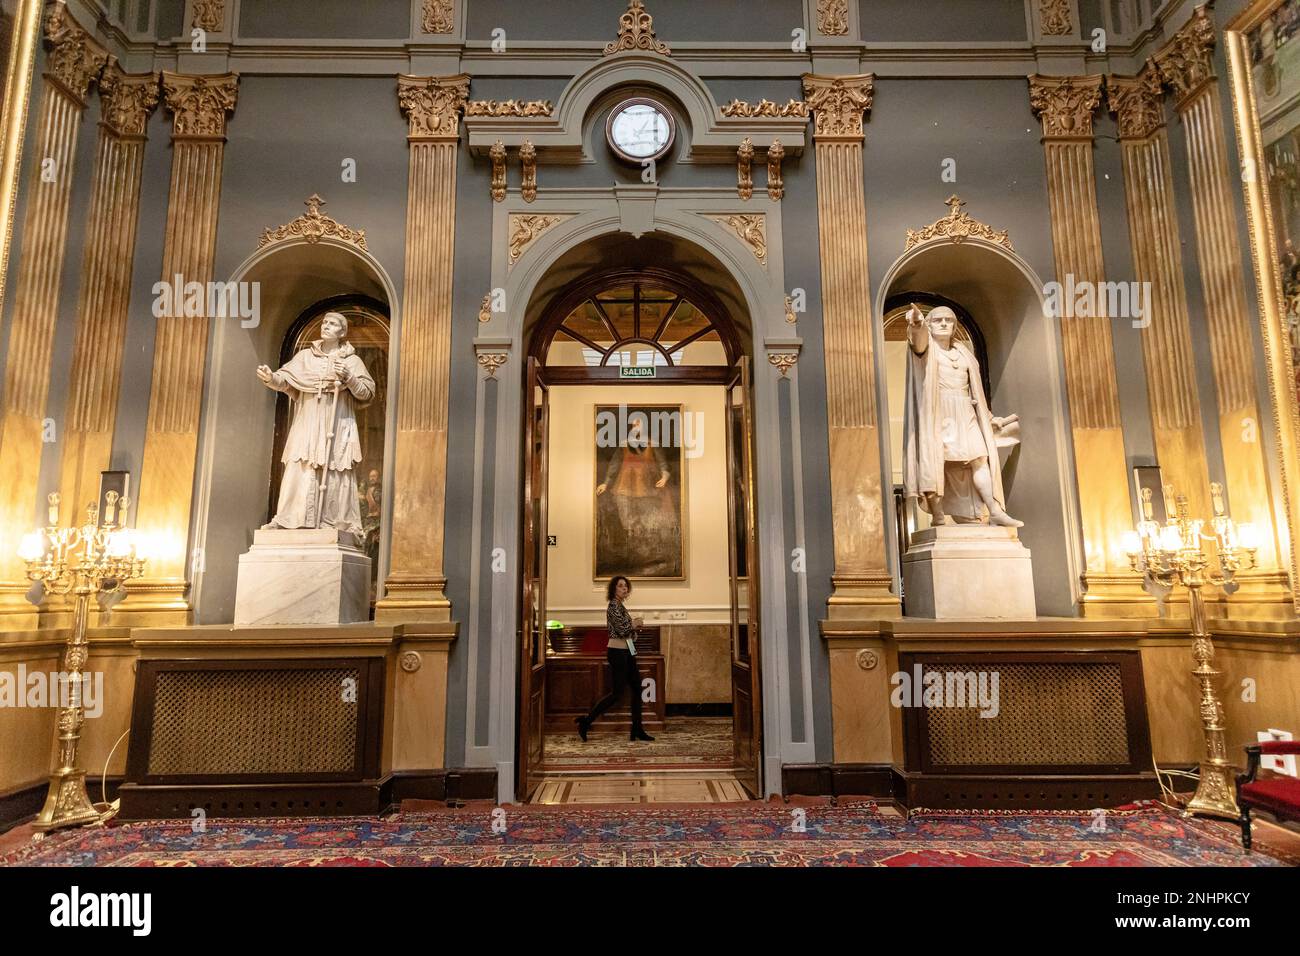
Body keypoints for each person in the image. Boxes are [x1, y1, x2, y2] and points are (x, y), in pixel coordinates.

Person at [257, 311, 375, 536]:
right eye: (324, 322)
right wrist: (271, 378)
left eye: (332, 324)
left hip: (337, 422)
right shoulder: (304, 358)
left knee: (335, 465)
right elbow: (286, 379)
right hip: (309, 420)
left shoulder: (352, 361)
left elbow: (367, 393)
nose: (326, 326)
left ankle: (336, 520)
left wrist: (349, 378)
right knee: (300, 461)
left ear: (342, 332)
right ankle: (287, 517)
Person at [902, 304, 1021, 527]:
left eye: (949, 320)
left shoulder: (963, 353)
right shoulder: (927, 350)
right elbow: (917, 341)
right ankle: (938, 515)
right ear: (930, 325)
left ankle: (994, 509)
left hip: (965, 411)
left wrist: (988, 416)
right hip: (939, 412)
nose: (944, 324)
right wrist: (917, 324)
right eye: (938, 320)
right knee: (939, 463)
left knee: (980, 458)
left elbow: (974, 389)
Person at [576, 575, 655, 742]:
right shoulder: (613, 606)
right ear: (614, 589)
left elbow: (629, 634)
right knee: (617, 694)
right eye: (620, 586)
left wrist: (634, 630)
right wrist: (635, 623)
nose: (624, 588)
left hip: (628, 652)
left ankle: (637, 729)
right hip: (617, 653)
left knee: (636, 690)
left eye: (626, 586)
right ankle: (586, 721)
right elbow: (621, 629)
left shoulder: (621, 606)